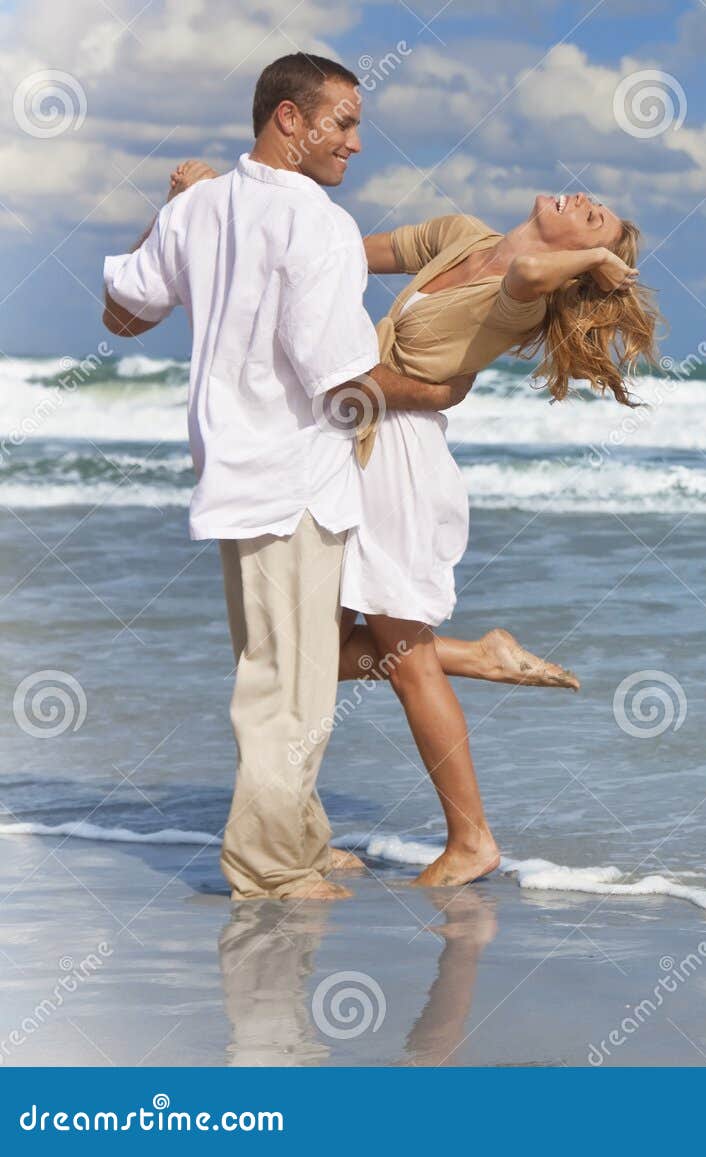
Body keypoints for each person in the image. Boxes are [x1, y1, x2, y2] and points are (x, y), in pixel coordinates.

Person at [161, 168, 664, 887]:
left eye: (597, 222)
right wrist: (223, 204)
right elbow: (331, 249)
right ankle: (474, 662)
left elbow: (524, 269)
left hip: (401, 464)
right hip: (345, 444)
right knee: (315, 648)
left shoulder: (523, 298)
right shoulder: (458, 235)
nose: (586, 202)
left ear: (581, 268)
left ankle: (472, 840)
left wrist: (590, 262)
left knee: (403, 662)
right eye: (592, 208)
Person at [101, 52, 471, 901]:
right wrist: (438, 390)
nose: (356, 142)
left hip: (238, 471)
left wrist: (167, 217)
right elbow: (337, 379)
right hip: (293, 475)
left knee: (291, 669)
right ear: (289, 121)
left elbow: (121, 313)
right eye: (343, 122)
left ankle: (297, 840)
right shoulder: (319, 224)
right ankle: (269, 869)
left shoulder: (201, 208)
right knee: (285, 687)